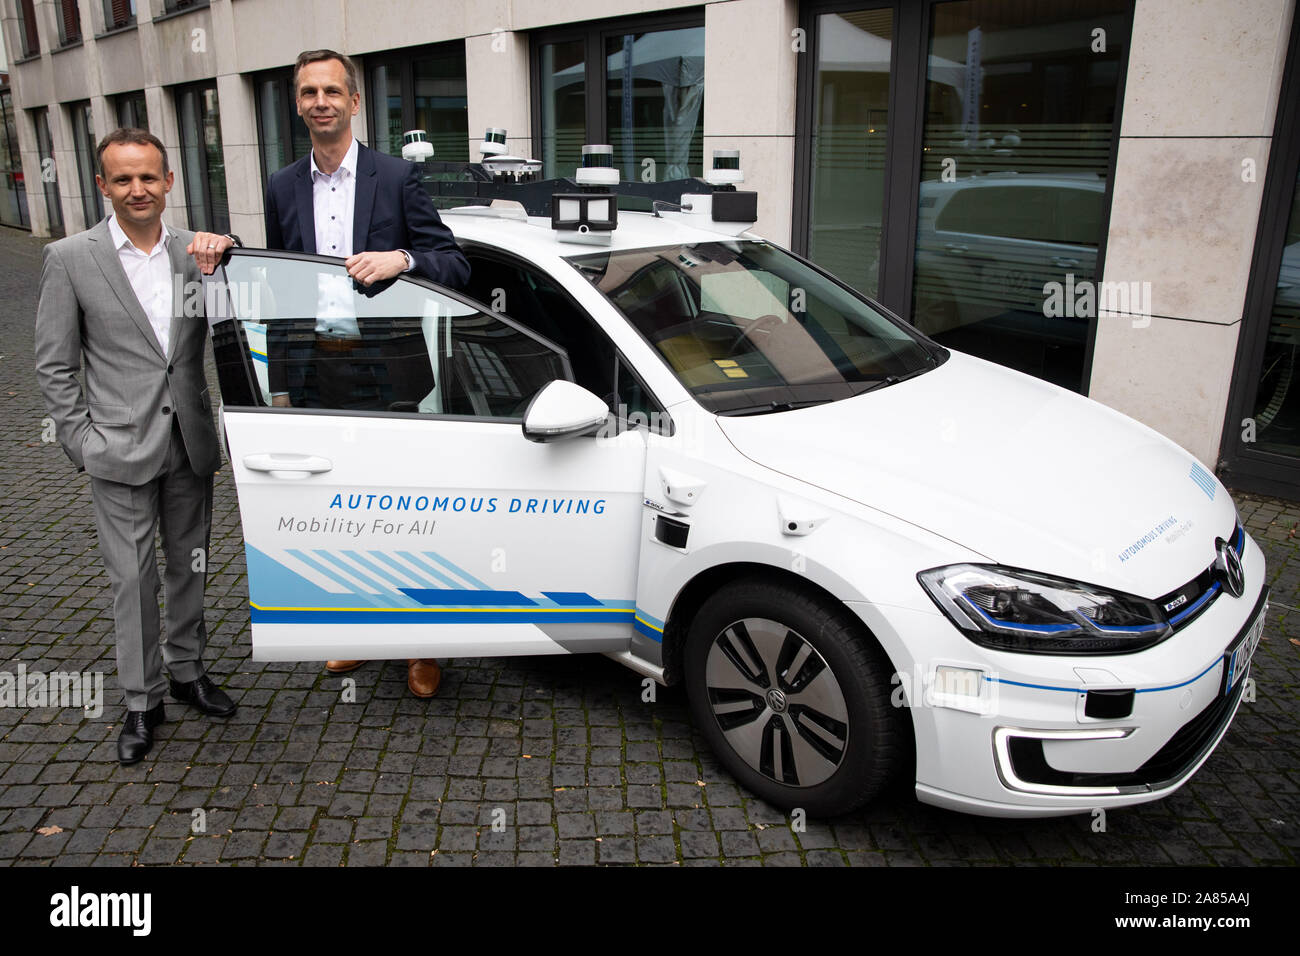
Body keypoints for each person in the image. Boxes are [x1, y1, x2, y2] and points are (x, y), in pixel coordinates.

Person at [192, 48, 469, 699]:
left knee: (407, 513)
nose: (321, 101)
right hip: (321, 374)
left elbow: (453, 263)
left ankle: (423, 647)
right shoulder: (282, 183)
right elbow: (282, 277)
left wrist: (402, 259)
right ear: (298, 104)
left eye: (331, 91)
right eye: (309, 92)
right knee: (340, 513)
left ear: (353, 101)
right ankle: (358, 627)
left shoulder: (396, 176)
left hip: (391, 374)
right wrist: (278, 377)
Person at [35, 128, 237, 765]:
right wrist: (82, 441)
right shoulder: (71, 257)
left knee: (190, 567)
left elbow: (231, 326)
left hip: (189, 442)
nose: (137, 189)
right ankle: (142, 699)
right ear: (103, 185)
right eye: (122, 179)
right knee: (132, 579)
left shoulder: (197, 251)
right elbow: (55, 364)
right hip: (117, 447)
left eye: (149, 177)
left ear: (169, 181)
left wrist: (224, 263)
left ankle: (186, 672)